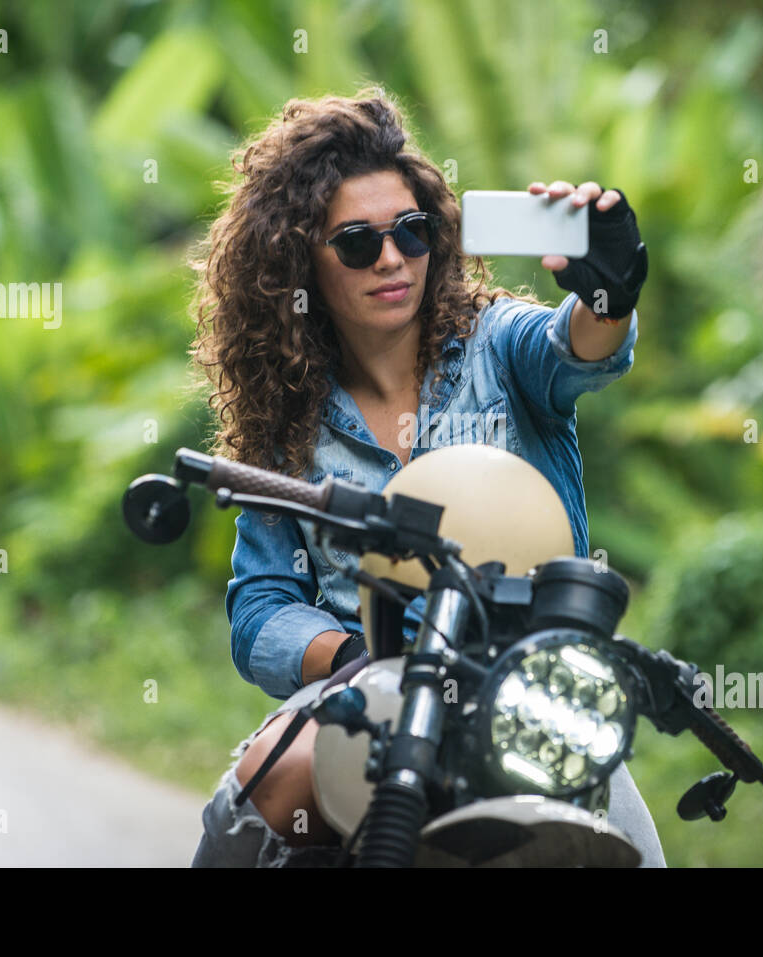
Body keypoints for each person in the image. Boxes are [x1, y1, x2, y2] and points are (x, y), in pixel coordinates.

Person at [187, 86, 660, 867]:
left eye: (413, 232)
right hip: (369, 688)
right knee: (260, 791)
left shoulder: (500, 346)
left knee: (624, 854)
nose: (392, 259)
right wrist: (351, 661)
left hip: (526, 686)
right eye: (357, 243)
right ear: (297, 258)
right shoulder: (286, 420)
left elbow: (580, 347)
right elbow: (262, 608)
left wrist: (613, 285)